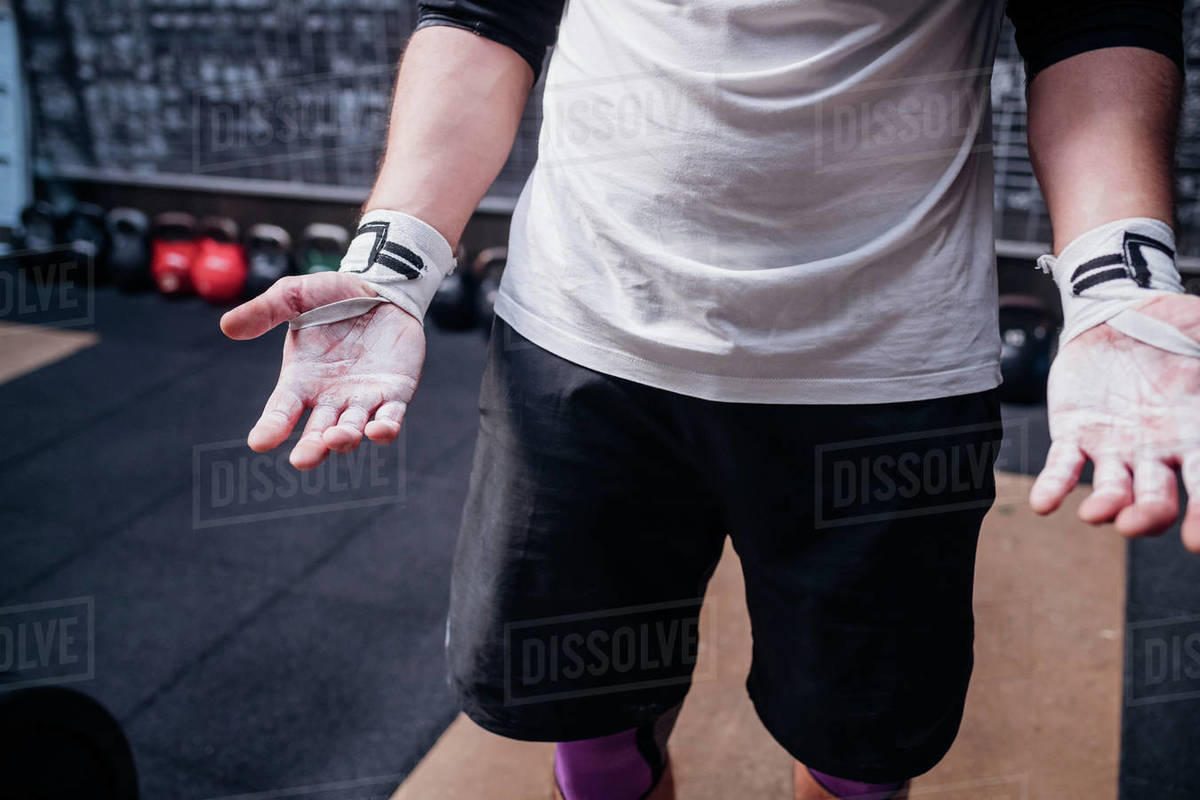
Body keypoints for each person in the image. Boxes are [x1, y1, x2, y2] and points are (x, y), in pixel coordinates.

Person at [221, 2, 1198, 798]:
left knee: (858, 746)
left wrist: (1118, 284)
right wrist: (395, 259)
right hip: (583, 336)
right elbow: (485, 17)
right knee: (589, 722)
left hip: (883, 368)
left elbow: (1094, 22)